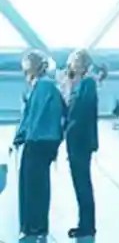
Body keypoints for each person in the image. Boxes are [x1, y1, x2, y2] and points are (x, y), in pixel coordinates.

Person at [13, 51, 65, 239]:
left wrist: (21, 137)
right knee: (39, 184)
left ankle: (32, 225)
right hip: (46, 142)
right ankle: (38, 225)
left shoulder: (42, 87)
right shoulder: (47, 86)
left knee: (32, 186)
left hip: (37, 142)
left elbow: (33, 117)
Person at [64, 49, 98, 239]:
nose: (73, 64)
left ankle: (88, 224)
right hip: (75, 140)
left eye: (76, 61)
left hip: (81, 141)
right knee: (79, 183)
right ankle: (83, 222)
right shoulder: (78, 84)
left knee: (83, 183)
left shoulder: (88, 83)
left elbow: (81, 112)